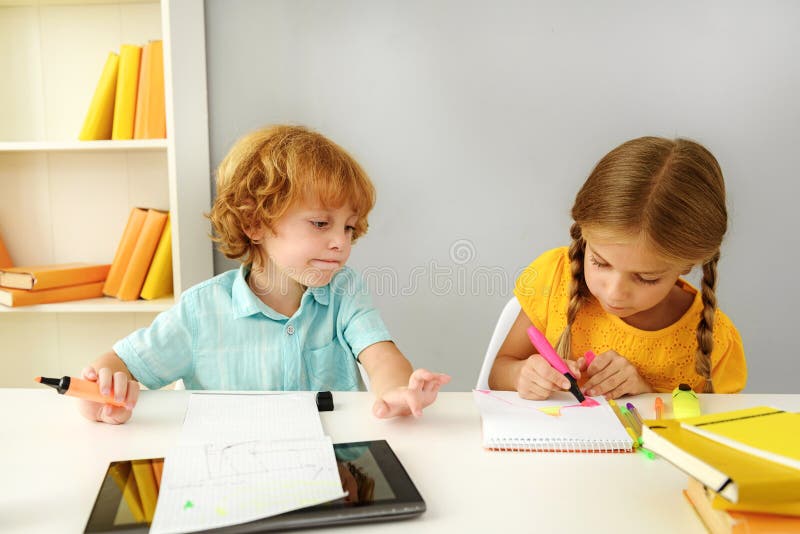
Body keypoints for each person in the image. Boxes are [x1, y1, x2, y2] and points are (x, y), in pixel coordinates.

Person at [79, 125, 450, 424]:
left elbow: (381, 356)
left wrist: (397, 390)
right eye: (321, 223)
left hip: (330, 466)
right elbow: (114, 365)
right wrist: (106, 391)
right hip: (231, 471)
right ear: (254, 223)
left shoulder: (344, 290)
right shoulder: (201, 310)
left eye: (349, 228)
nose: (340, 242)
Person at [489, 136, 746, 400]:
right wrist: (523, 374)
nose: (614, 293)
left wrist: (647, 393)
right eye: (599, 263)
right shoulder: (554, 279)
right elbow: (498, 372)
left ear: (689, 263)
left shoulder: (714, 340)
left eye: (646, 278)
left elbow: (716, 426)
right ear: (584, 233)